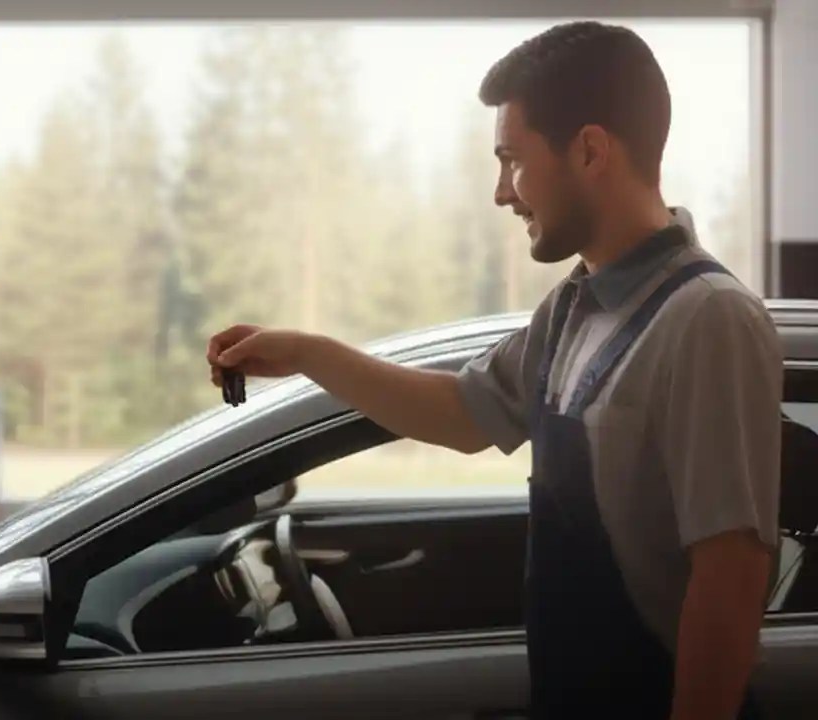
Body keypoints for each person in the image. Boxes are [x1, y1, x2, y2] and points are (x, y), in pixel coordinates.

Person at [207, 21, 779, 720]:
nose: (503, 193)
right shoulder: (576, 305)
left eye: (511, 159)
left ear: (590, 151)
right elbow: (462, 414)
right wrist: (306, 355)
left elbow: (730, 577)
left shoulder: (707, 319)